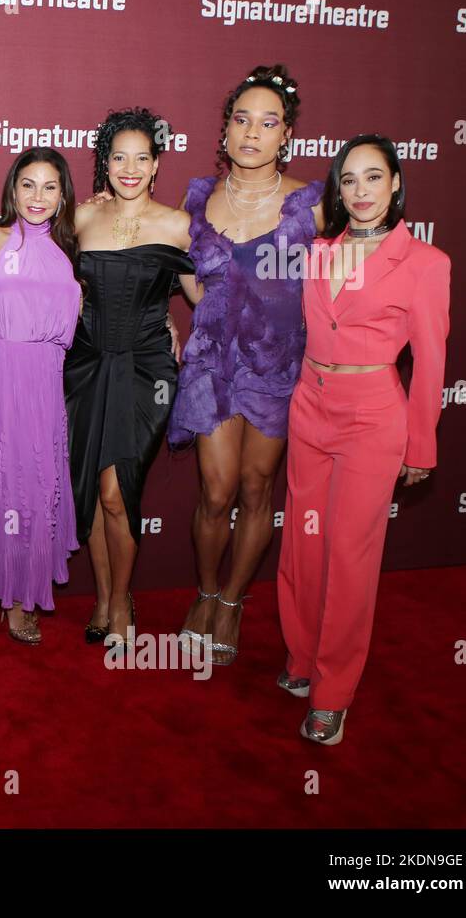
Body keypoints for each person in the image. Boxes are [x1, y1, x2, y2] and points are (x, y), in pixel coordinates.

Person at [276, 135, 449, 745]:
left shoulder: (426, 263)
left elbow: (430, 361)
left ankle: (334, 691)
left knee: (349, 553)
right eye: (349, 180)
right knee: (303, 539)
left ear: (396, 183)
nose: (361, 192)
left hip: (372, 417)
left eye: (373, 178)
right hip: (309, 406)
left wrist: (420, 445)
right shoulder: (320, 252)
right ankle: (301, 659)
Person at [170, 65, 325, 664]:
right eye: (241, 120)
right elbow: (177, 260)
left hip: (277, 367)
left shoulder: (309, 206)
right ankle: (206, 591)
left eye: (268, 122)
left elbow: (348, 263)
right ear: (226, 130)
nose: (252, 133)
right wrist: (192, 307)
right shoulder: (196, 199)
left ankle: (233, 601)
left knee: (257, 488)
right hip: (212, 362)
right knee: (215, 491)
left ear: (285, 134)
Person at [66, 108, 195, 651]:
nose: (131, 167)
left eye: (142, 157)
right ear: (104, 163)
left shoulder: (180, 225)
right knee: (94, 489)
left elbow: (203, 300)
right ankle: (102, 597)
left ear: (157, 164)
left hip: (146, 367)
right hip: (87, 362)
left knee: (119, 490)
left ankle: (122, 599)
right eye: (119, 156)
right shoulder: (79, 218)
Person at [0, 147, 83, 644]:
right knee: (2, 477)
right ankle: (7, 593)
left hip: (46, 375)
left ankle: (26, 589)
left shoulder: (72, 247)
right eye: (28, 184)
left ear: (63, 195)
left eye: (50, 187)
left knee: (37, 478)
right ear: (12, 188)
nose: (38, 196)